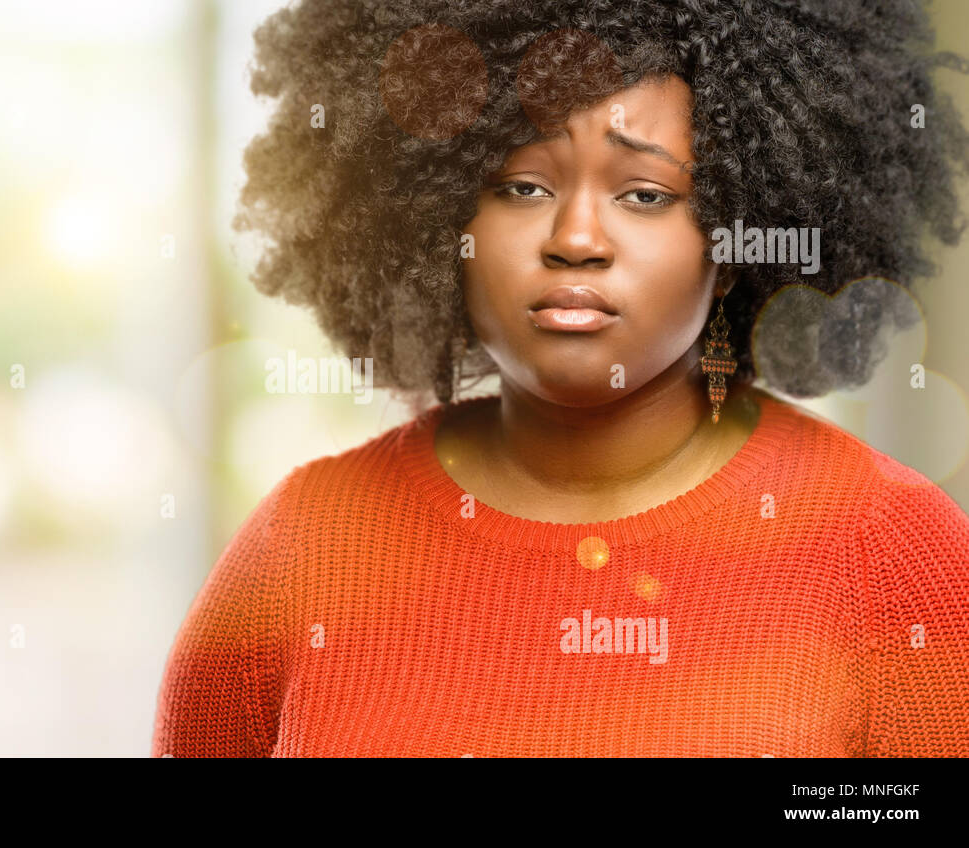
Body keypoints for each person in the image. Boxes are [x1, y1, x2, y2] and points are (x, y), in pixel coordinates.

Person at [152, 0, 969, 757]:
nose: (576, 237)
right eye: (522, 186)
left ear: (733, 242)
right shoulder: (303, 545)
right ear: (438, 218)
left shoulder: (894, 554)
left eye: (646, 194)